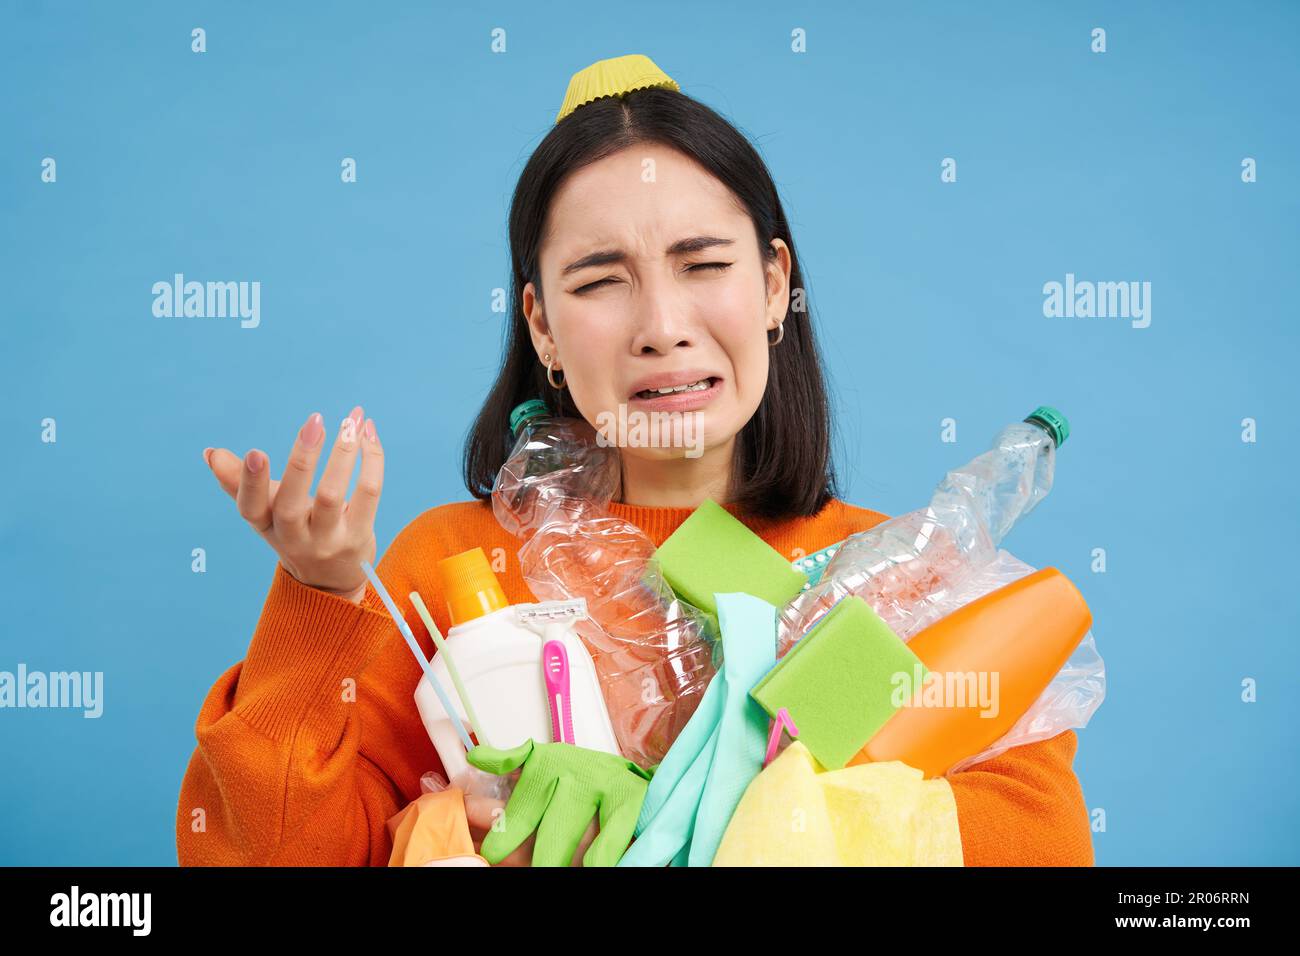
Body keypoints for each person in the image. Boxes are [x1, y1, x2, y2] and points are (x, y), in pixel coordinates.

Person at [176, 54, 1094, 867]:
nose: (661, 327)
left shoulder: (905, 587)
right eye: (600, 281)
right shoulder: (445, 577)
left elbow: (1035, 846)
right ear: (542, 325)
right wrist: (320, 595)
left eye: (703, 266)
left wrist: (653, 812)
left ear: (775, 287)